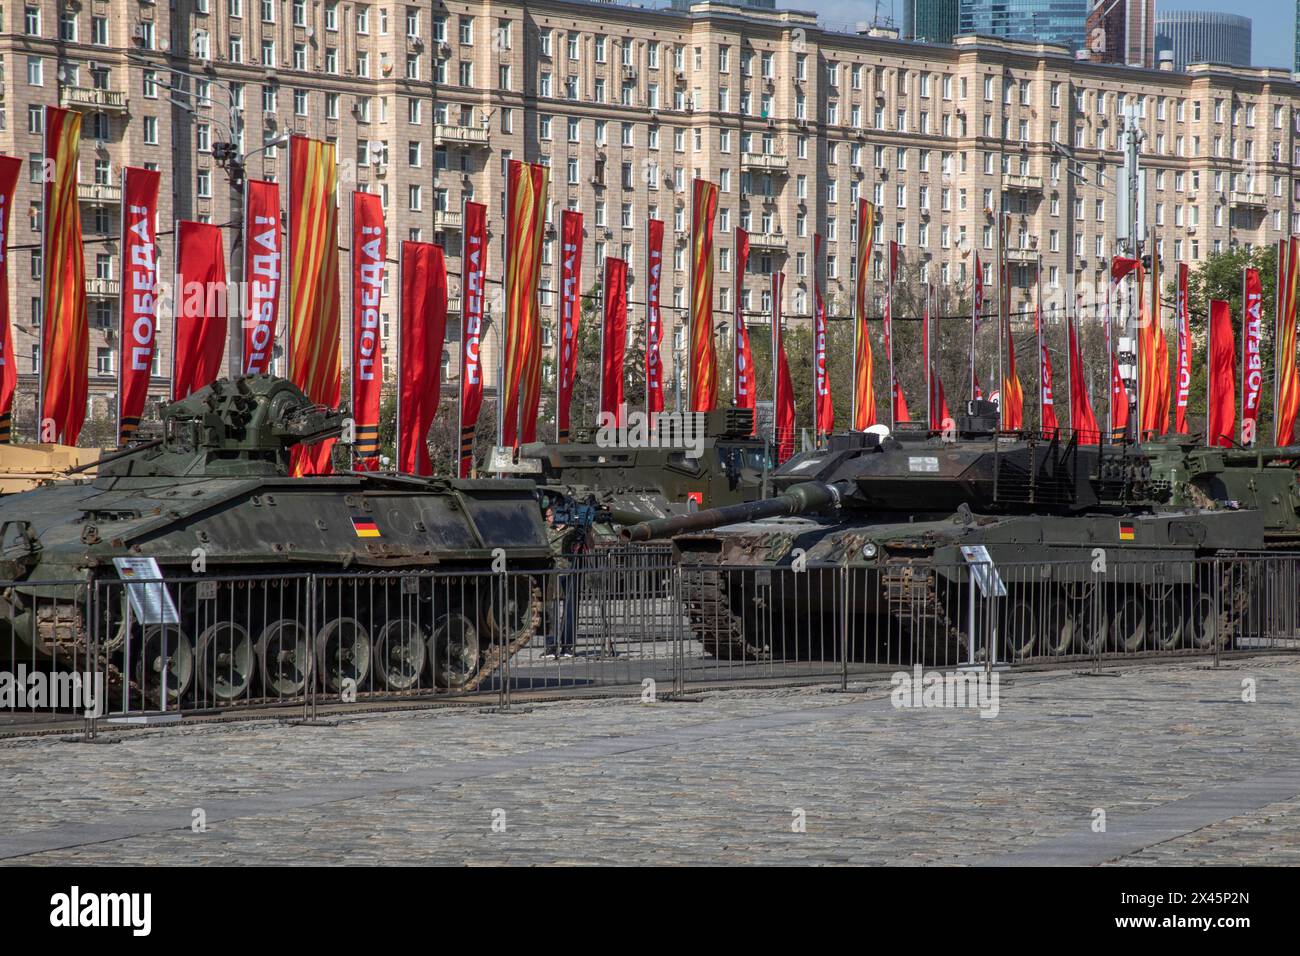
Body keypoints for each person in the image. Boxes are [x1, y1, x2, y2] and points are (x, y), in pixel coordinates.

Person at [544, 503, 592, 659]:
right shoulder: (545, 529)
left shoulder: (574, 529)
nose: (548, 519)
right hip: (551, 573)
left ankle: (568, 645)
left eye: (549, 515)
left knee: (570, 610)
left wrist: (587, 532)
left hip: (569, 572)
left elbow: (590, 546)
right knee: (551, 610)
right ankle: (551, 645)